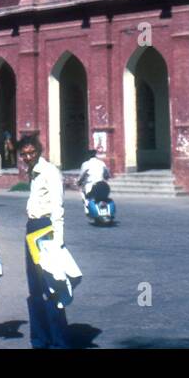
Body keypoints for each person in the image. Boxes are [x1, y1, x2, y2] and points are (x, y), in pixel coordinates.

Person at [18, 134, 70, 349]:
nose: (28, 157)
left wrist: (58, 242)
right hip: (32, 230)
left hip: (46, 230)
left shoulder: (50, 172)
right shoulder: (34, 173)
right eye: (24, 154)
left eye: (32, 153)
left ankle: (59, 341)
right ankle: (39, 338)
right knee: (34, 286)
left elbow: (58, 208)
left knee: (51, 287)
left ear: (39, 151)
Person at [77, 148, 111, 214]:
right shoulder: (101, 163)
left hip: (90, 185)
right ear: (95, 155)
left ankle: (87, 209)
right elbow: (107, 174)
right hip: (102, 185)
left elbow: (82, 175)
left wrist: (79, 182)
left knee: (85, 196)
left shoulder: (86, 164)